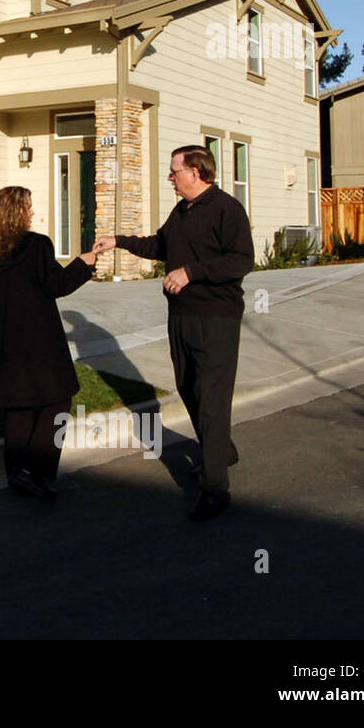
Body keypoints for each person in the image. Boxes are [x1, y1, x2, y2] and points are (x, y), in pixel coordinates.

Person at [93, 144, 254, 521]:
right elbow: (161, 245)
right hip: (181, 315)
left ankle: (215, 490)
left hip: (216, 318)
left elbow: (241, 259)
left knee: (212, 397)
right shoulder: (182, 210)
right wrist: (119, 241)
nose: (170, 178)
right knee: (188, 386)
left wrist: (191, 272)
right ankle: (221, 450)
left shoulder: (226, 209)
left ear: (195, 173)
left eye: (174, 172)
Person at [0, 186, 97, 499]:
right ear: (16, 212)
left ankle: (18, 472)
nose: (32, 213)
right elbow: (56, 285)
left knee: (19, 409)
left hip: (3, 345)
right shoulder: (36, 245)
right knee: (58, 403)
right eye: (28, 208)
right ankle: (38, 470)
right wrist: (83, 264)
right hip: (40, 342)